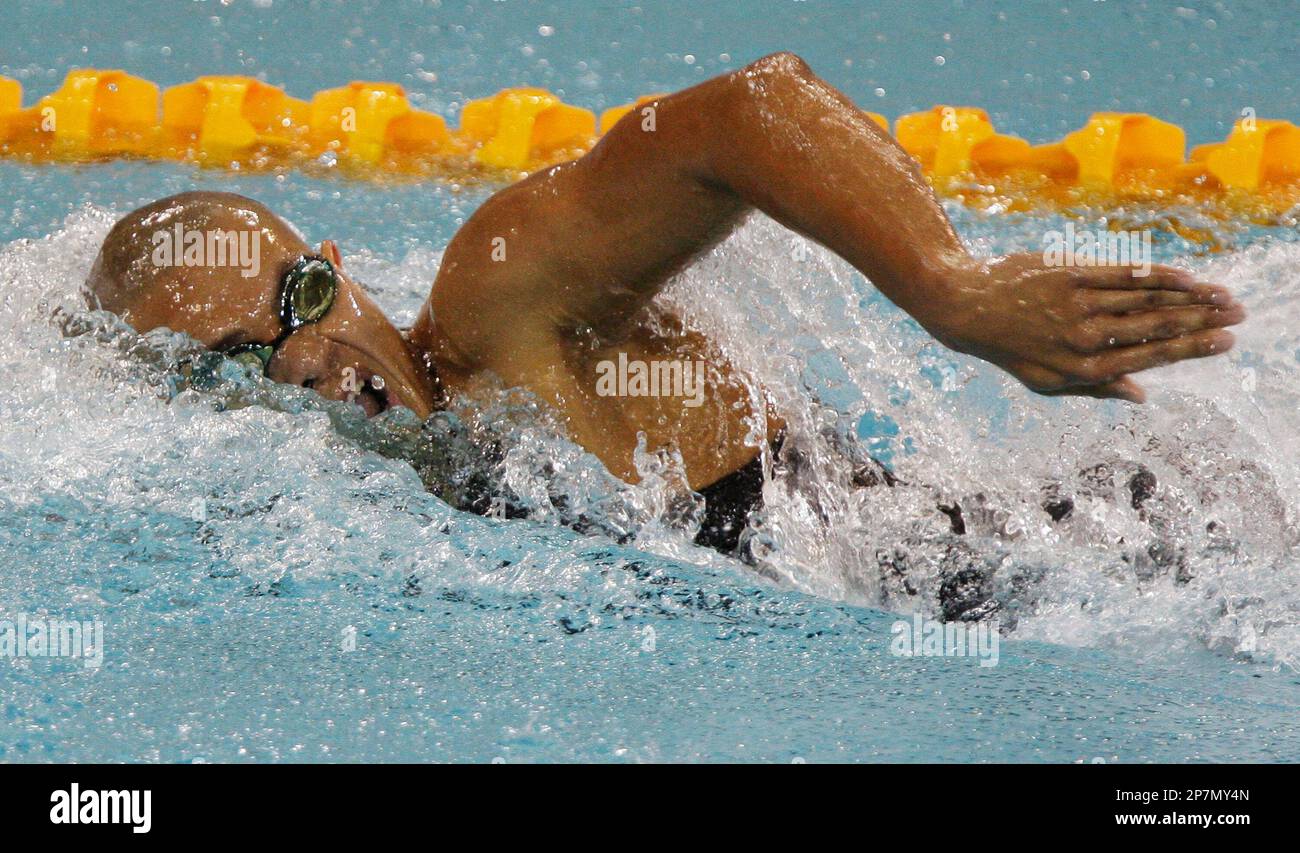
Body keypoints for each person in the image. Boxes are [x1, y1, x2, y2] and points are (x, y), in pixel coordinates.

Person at [85, 53, 1245, 554]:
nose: (314, 358)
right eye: (242, 359)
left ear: (340, 265)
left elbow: (744, 110)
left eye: (305, 295)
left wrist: (955, 292)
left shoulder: (498, 299)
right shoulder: (385, 506)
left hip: (1119, 553)